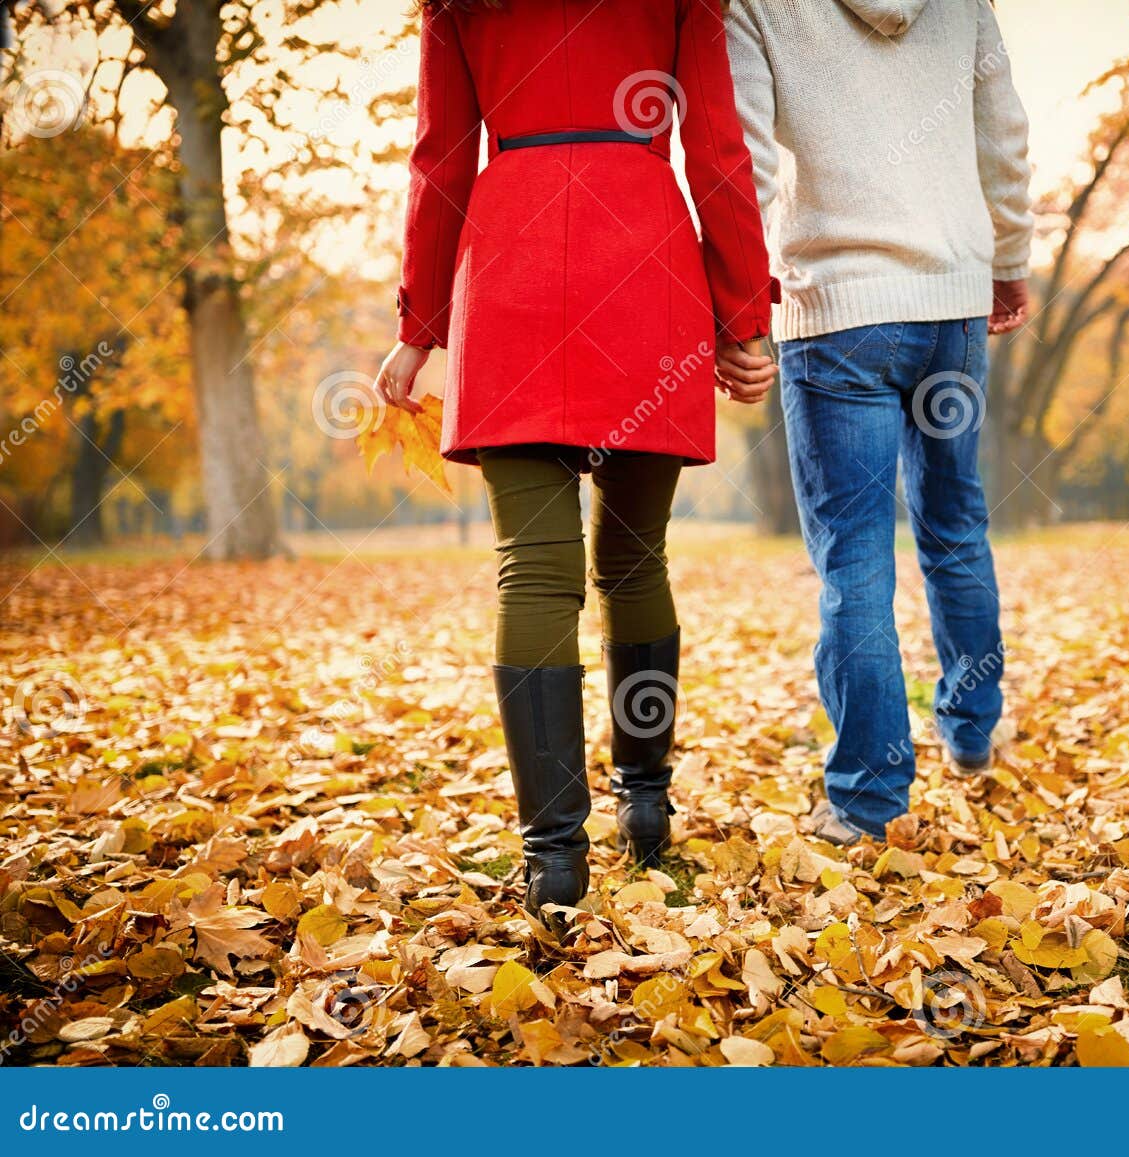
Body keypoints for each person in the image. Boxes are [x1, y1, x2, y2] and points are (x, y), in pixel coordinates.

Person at [374, 0, 779, 911]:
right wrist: (743, 314)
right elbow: (719, 151)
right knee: (635, 560)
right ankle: (646, 801)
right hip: (644, 262)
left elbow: (440, 160)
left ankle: (553, 856)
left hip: (510, 263)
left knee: (533, 571)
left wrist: (419, 325)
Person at [724, 0, 1033, 842]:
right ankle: (971, 728)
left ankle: (868, 797)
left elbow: (742, 161)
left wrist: (738, 305)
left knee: (855, 557)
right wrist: (1008, 258)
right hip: (951, 306)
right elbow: (1002, 128)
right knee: (955, 523)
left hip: (838, 311)